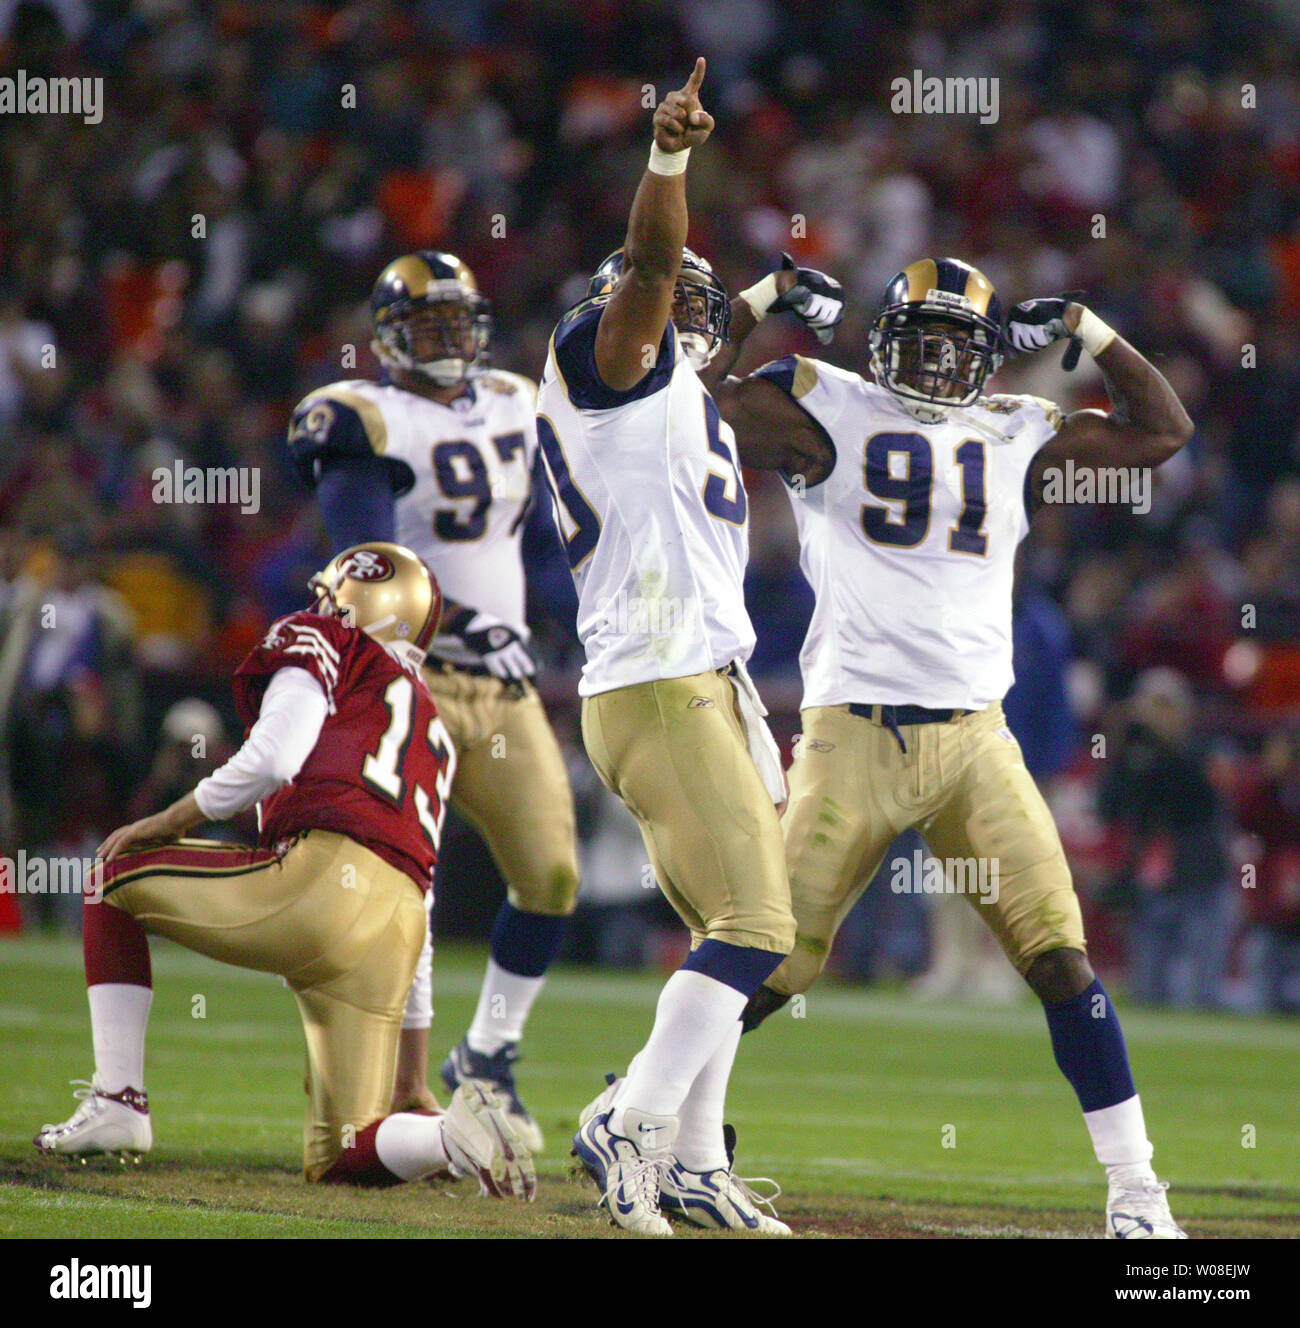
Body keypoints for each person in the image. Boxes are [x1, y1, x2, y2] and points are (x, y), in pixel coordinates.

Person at [715, 258, 1195, 1238]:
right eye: (921, 338)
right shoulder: (826, 401)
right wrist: (757, 304)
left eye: (956, 344)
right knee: (776, 955)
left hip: (976, 734)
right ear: (885, 340)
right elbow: (682, 404)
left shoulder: (1018, 427)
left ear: (985, 356)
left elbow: (1163, 432)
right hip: (855, 730)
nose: (937, 361)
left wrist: (1092, 330)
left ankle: (1136, 1189)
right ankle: (643, 1107)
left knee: (1059, 954)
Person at [538, 58, 841, 1235]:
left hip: (705, 684)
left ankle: (696, 1159)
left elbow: (695, 339)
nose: (695, 325)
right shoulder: (608, 356)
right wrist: (667, 155)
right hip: (658, 684)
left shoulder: (673, 388)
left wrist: (762, 292)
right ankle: (632, 1118)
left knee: (774, 946)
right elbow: (658, 281)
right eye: (684, 307)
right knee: (758, 928)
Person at [35, 542, 535, 1200]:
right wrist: (412, 1078)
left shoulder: (324, 638)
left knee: (111, 874)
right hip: (399, 929)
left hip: (323, 883)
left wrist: (172, 818)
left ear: (355, 599)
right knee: (342, 1153)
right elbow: (424, 895)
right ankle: (452, 1136)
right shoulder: (430, 726)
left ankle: (118, 1101)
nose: (320, 601)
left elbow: (275, 758)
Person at [287, 251, 581, 1151]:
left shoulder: (513, 399)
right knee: (384, 889)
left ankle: (485, 1058)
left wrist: (576, 618)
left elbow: (539, 544)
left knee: (552, 875)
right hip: (404, 682)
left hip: (506, 685)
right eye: (429, 325)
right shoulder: (364, 418)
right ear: (386, 338)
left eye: (460, 321)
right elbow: (364, 571)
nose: (450, 339)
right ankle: (366, 1080)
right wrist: (451, 630)